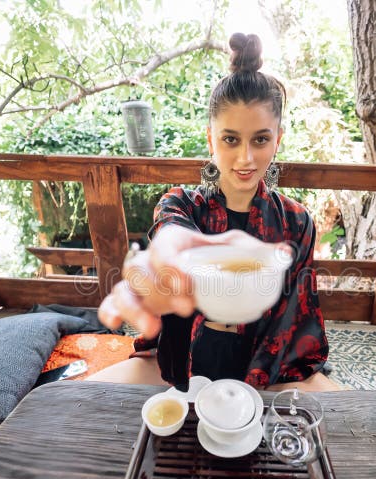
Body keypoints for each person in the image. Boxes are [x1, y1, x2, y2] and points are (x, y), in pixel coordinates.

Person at [93, 32, 337, 392]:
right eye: (230, 139)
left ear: (277, 140)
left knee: (352, 419)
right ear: (211, 140)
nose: (246, 159)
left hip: (264, 366)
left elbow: (293, 321)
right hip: (182, 361)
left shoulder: (296, 222)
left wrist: (255, 386)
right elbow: (171, 232)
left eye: (260, 139)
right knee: (71, 401)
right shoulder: (180, 204)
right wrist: (167, 255)